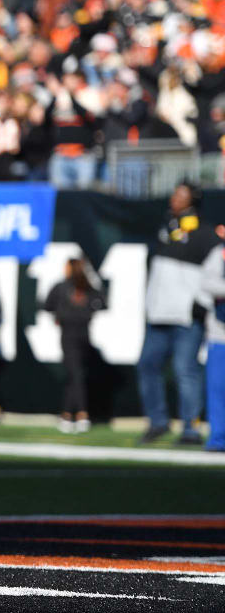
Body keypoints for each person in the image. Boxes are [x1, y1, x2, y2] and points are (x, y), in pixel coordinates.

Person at [137, 182, 215, 445]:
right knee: (148, 365)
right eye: (174, 193)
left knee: (185, 370)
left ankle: (191, 428)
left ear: (193, 201)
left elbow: (216, 270)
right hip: (159, 314)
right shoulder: (165, 229)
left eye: (181, 195)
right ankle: (157, 422)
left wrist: (201, 302)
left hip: (186, 316)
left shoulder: (204, 233)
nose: (175, 199)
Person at [43, 258, 106, 434]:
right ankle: (69, 414)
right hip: (72, 335)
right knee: (75, 374)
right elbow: (47, 305)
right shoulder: (62, 287)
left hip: (78, 336)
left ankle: (80, 414)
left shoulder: (85, 287)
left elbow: (102, 302)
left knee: (75, 375)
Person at [199, 227, 225, 453]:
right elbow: (206, 282)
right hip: (220, 333)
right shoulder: (220, 253)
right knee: (218, 389)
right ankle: (218, 438)